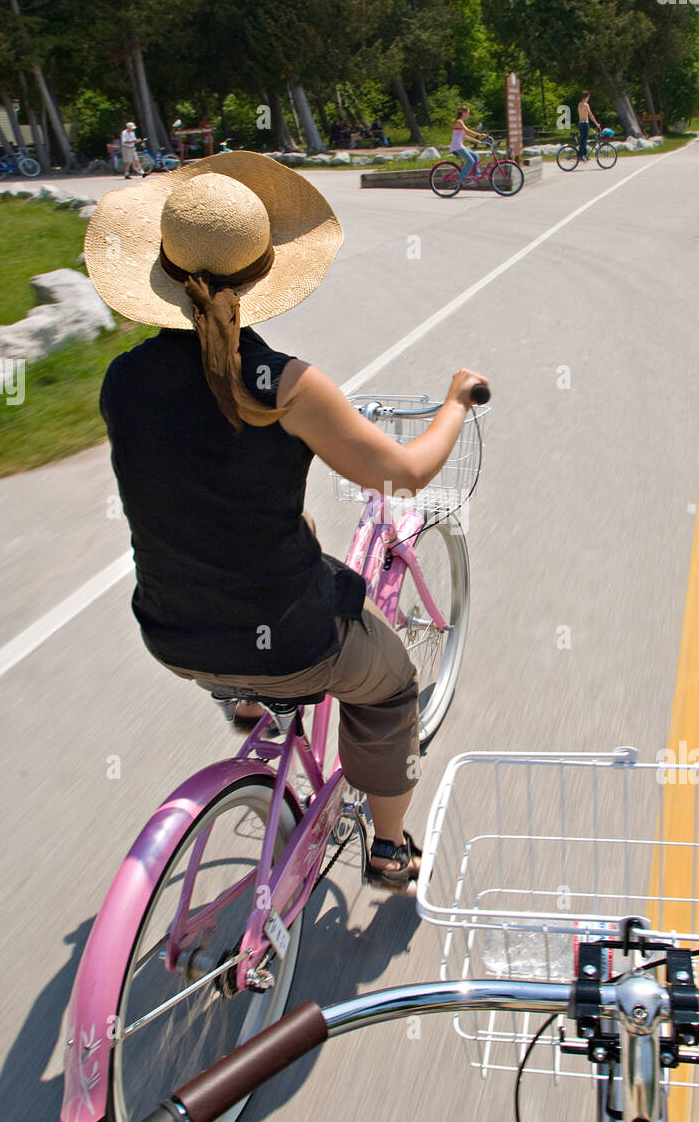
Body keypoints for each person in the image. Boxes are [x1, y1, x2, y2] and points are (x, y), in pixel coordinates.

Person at [84, 152, 489, 888]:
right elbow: (406, 473)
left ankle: (248, 704)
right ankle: (392, 848)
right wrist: (456, 402)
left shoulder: (124, 381)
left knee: (278, 553)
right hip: (287, 641)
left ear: (167, 277)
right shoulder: (287, 387)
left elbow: (198, 481)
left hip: (170, 631)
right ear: (264, 275)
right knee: (393, 683)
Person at [449, 105, 487, 186]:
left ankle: (476, 176)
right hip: (457, 147)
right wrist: (479, 134)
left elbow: (464, 137)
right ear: (463, 113)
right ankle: (460, 179)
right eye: (468, 113)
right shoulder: (459, 121)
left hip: (459, 146)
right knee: (470, 161)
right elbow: (467, 131)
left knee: (475, 156)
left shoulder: (461, 122)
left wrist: (477, 141)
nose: (469, 115)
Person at [577, 91, 601, 161]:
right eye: (588, 97)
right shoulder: (586, 105)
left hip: (580, 123)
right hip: (585, 123)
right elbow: (590, 115)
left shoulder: (579, 104)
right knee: (584, 139)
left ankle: (584, 155)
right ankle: (581, 155)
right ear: (586, 97)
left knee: (583, 139)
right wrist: (596, 123)